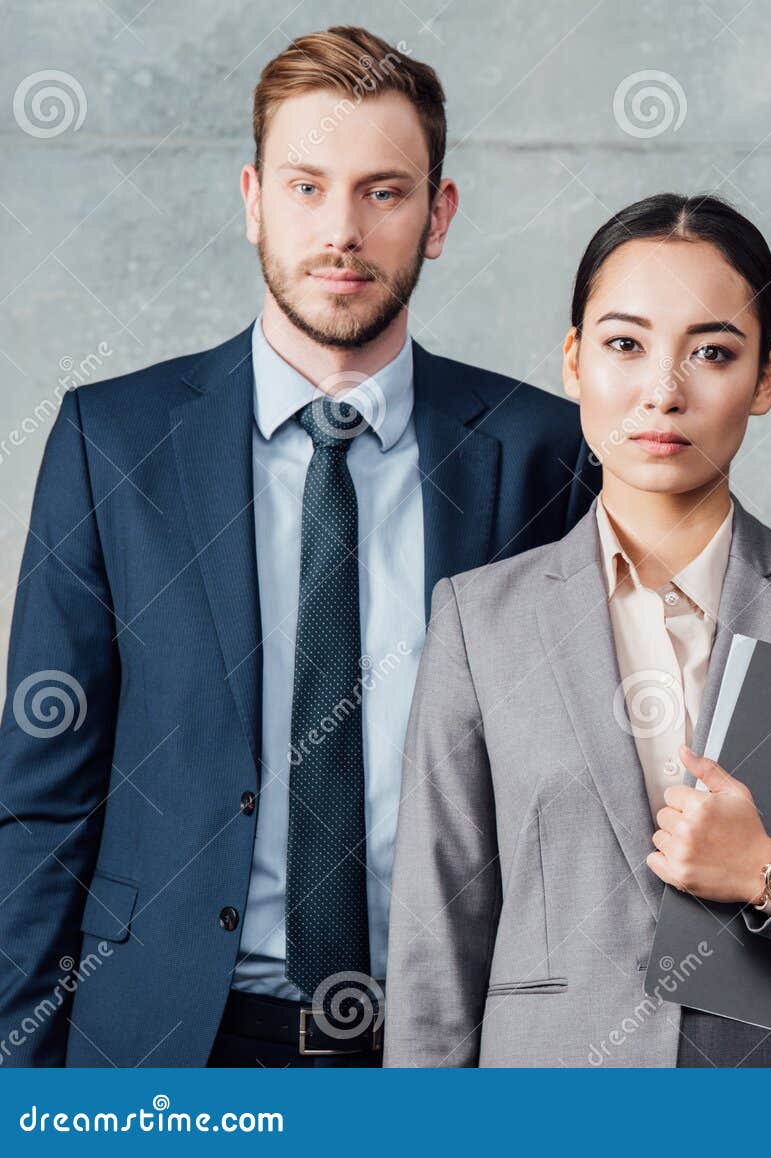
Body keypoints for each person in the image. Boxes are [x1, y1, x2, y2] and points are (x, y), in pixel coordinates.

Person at [0, 26, 597, 1067]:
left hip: (454, 1047)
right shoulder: (116, 441)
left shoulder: (542, 451)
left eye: (383, 191)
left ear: (439, 215)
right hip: (170, 1039)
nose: (342, 231)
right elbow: (43, 800)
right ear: (252, 199)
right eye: (307, 187)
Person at [383, 192, 771, 1067]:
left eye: (711, 352)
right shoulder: (482, 623)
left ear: (766, 379)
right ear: (574, 362)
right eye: (625, 345)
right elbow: (433, 961)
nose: (662, 392)